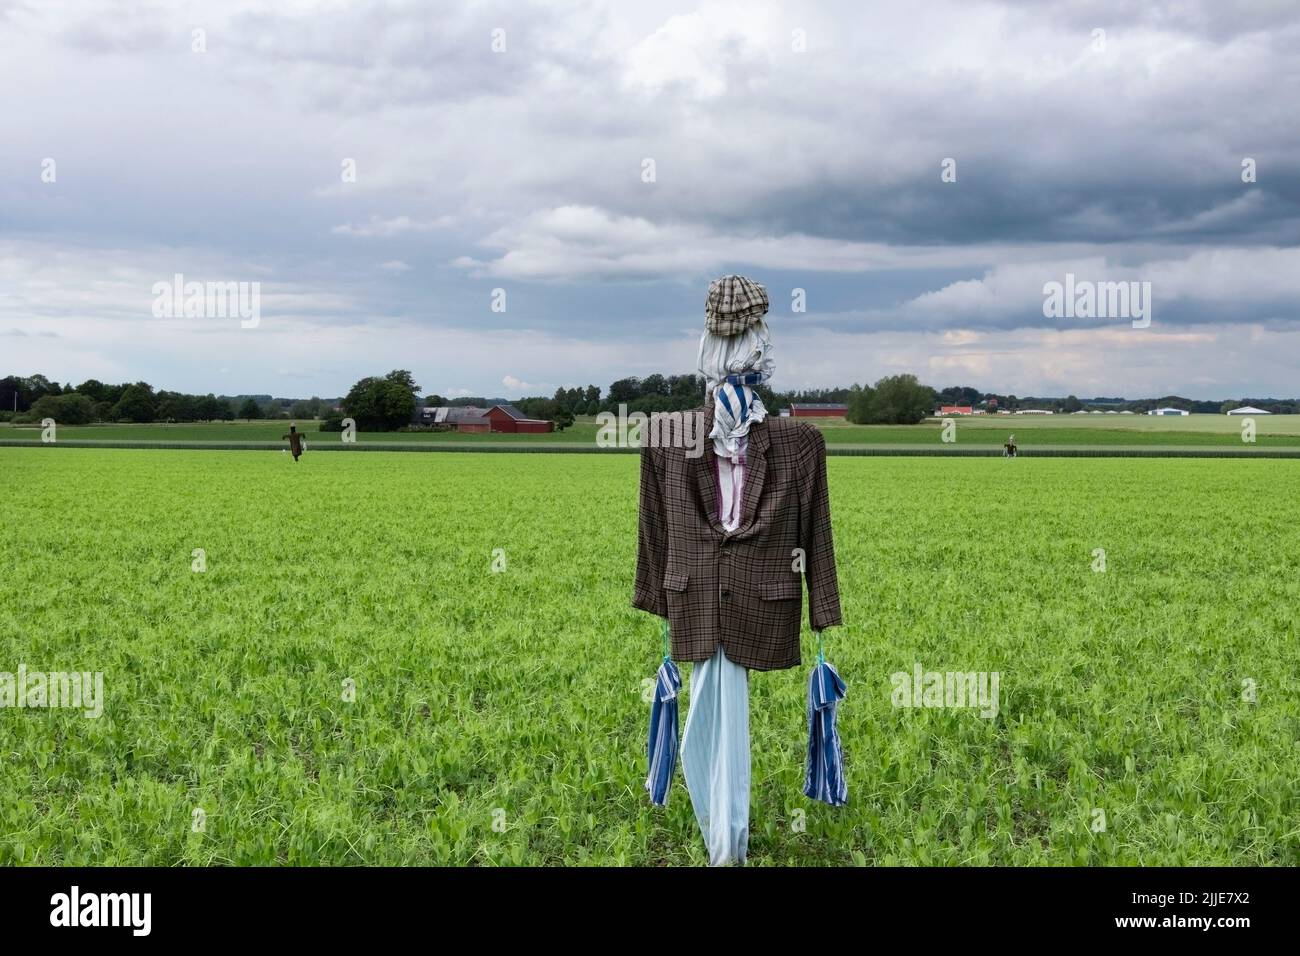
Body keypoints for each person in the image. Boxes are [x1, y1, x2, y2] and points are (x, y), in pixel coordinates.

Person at [634, 275, 843, 866]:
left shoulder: (800, 442)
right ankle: (725, 844)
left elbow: (816, 532)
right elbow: (654, 526)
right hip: (696, 596)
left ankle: (727, 844)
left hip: (762, 597)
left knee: (720, 726)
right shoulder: (664, 436)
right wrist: (657, 596)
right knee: (705, 725)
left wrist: (822, 610)